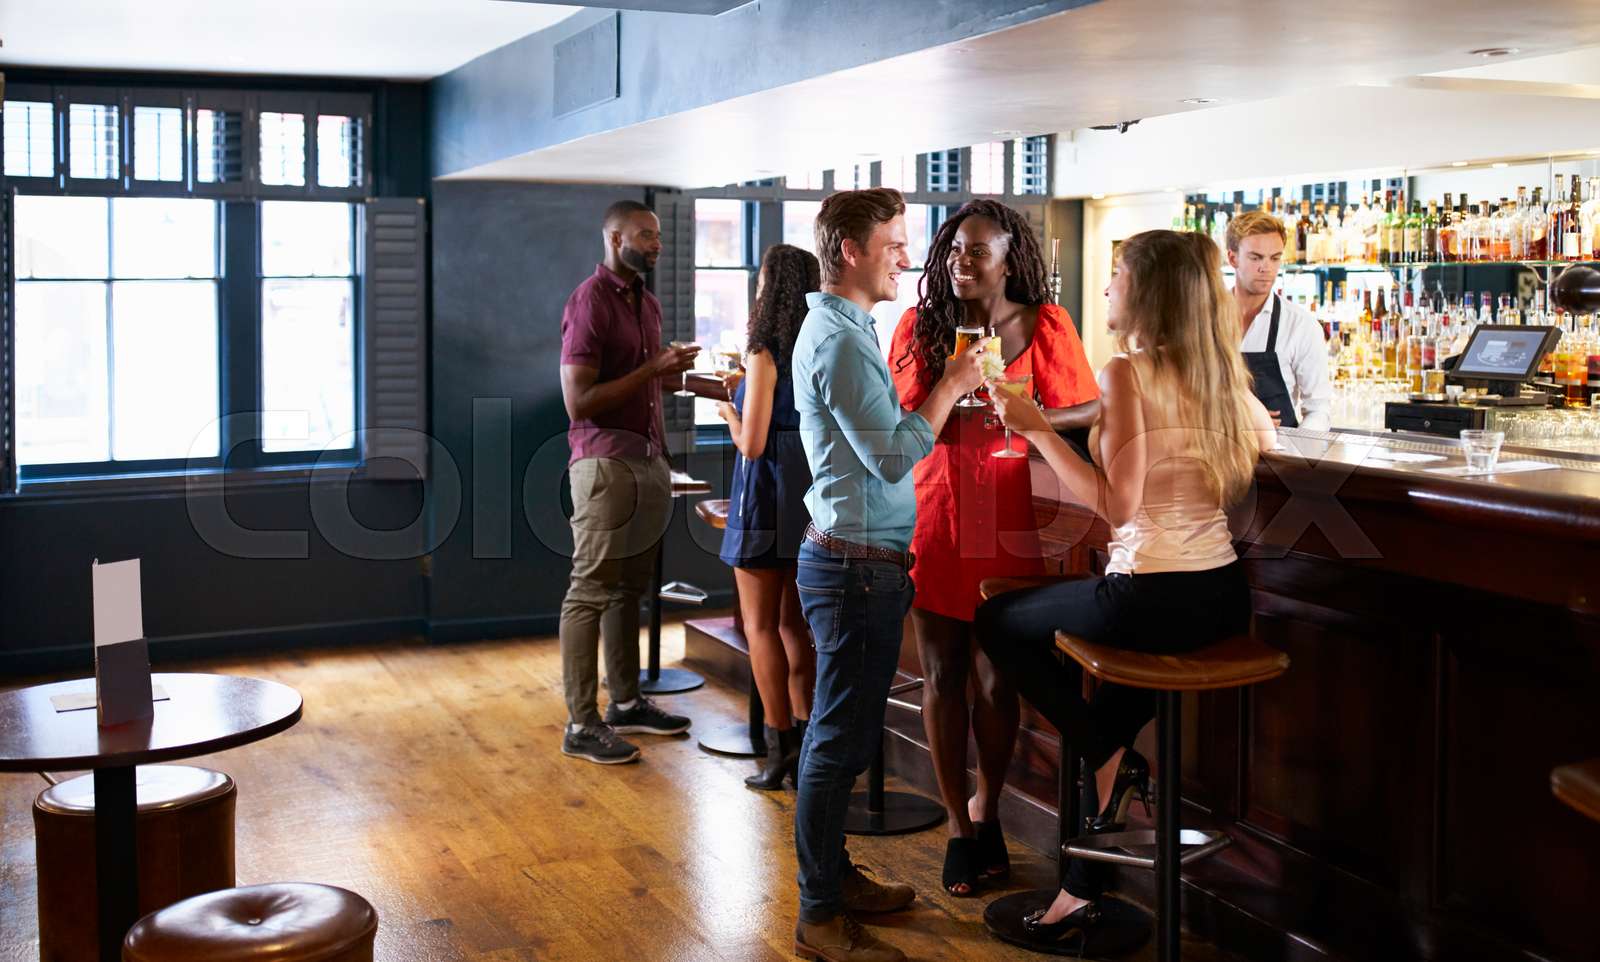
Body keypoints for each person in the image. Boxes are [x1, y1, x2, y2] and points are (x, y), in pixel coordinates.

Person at [978, 229, 1275, 945]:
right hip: (1218, 596)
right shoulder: (1220, 372)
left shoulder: (1127, 371)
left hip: (1150, 594)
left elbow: (1118, 506)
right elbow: (1267, 442)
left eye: (1116, 274)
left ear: (1148, 291)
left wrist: (1034, 429)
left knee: (996, 623)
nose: (1107, 286)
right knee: (1108, 716)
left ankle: (1115, 757)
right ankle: (1078, 893)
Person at [789, 187, 986, 962]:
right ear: (850, 250)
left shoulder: (846, 329)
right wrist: (953, 383)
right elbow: (897, 454)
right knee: (838, 743)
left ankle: (832, 879)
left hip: (856, 562)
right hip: (853, 568)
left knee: (841, 738)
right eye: (895, 242)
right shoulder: (838, 340)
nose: (908, 254)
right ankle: (818, 915)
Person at [887, 199, 1099, 897]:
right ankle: (957, 826)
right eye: (954, 249)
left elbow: (1091, 408)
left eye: (978, 251)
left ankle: (989, 806)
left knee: (997, 679)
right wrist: (956, 390)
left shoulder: (1046, 325)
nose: (961, 262)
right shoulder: (921, 326)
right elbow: (901, 419)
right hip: (940, 512)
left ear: (1012, 259)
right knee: (944, 676)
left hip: (1012, 522)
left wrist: (1027, 414)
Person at [556, 199, 698, 765]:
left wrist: (698, 382)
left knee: (628, 591)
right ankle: (580, 724)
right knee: (589, 591)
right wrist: (652, 370)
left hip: (649, 462)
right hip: (604, 465)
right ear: (615, 238)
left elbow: (645, 385)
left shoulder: (648, 303)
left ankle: (627, 703)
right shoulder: (588, 302)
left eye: (659, 236)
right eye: (647, 235)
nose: (657, 244)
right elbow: (579, 401)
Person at [715, 243, 821, 791]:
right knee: (794, 626)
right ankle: (806, 749)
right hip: (805, 492)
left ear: (768, 288)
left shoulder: (763, 353)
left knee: (759, 627)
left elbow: (752, 445)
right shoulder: (817, 345)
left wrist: (730, 414)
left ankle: (777, 750)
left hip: (763, 492)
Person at [1227, 210, 1332, 430]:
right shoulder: (1204, 320)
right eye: (1255, 257)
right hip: (1214, 455)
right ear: (1232, 258)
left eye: (1275, 258)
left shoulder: (1301, 326)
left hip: (1280, 456)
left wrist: (1297, 454)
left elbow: (1318, 411)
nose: (1266, 268)